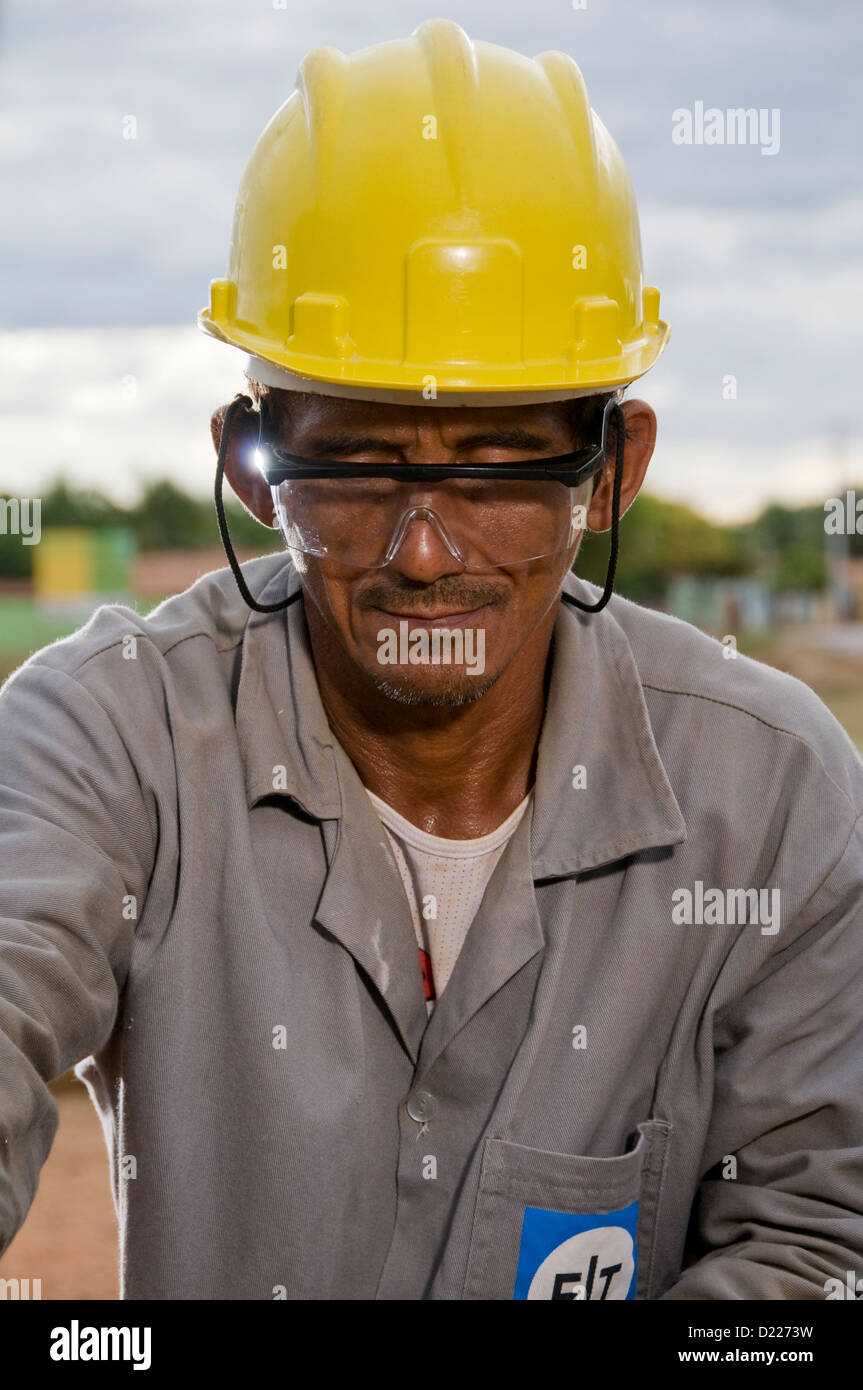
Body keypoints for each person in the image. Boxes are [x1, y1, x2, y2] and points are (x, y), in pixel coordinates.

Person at [1, 18, 861, 1302]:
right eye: (353, 459)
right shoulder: (106, 737)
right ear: (253, 465)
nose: (420, 551)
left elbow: (816, 1246)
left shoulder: (773, 794)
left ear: (611, 469)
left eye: (498, 466)